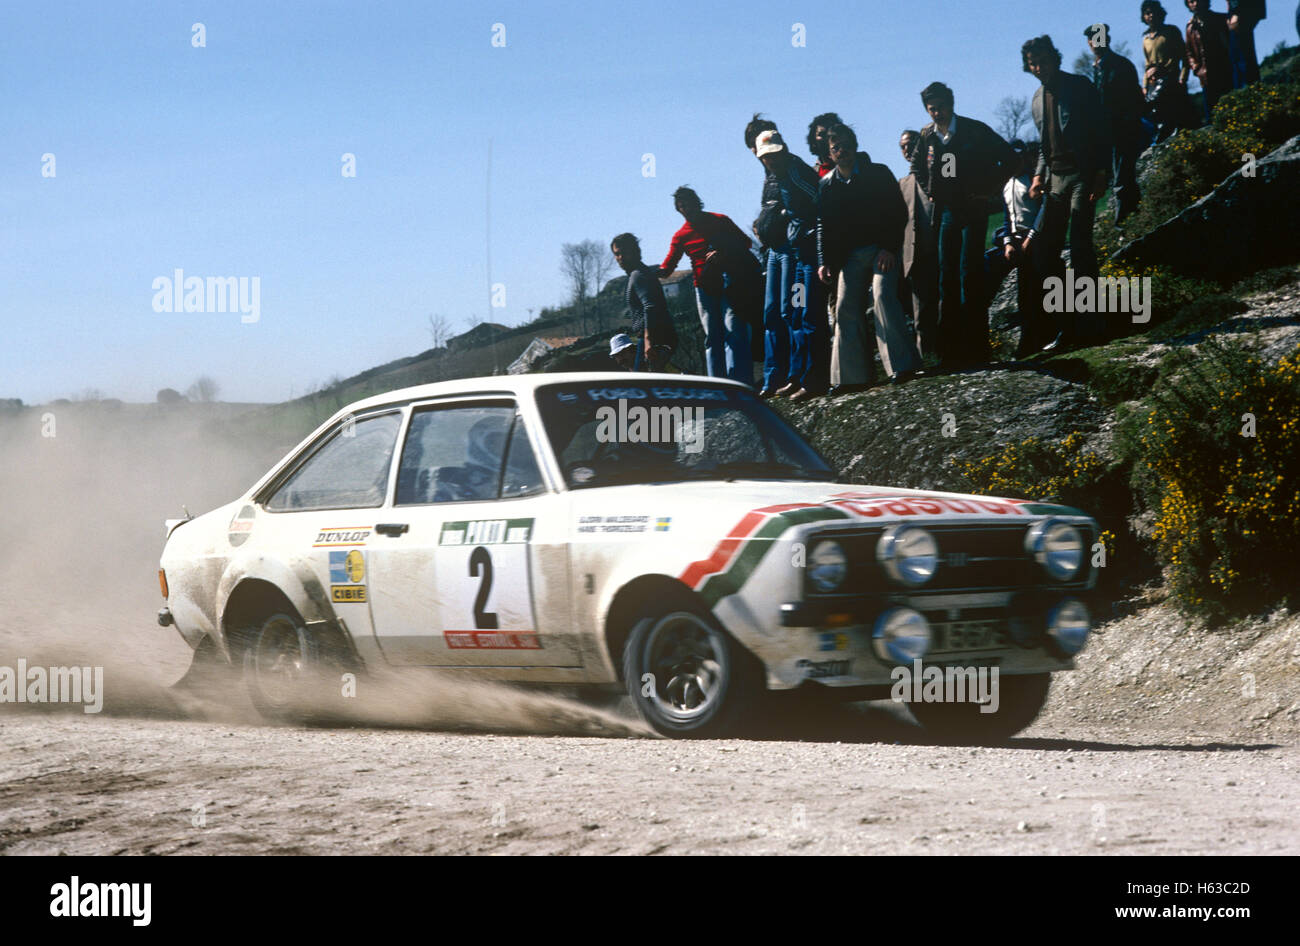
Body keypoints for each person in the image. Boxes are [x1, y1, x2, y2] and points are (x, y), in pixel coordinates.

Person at [910, 82, 1016, 368]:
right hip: (945, 212)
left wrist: (990, 190)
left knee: (970, 276)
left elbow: (1008, 158)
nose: (937, 113)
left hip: (973, 210)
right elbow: (916, 166)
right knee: (947, 280)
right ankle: (950, 354)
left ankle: (978, 351)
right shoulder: (927, 136)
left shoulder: (974, 130)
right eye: (932, 109)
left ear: (951, 103)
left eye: (941, 107)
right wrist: (929, 188)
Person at [817, 124, 920, 391]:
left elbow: (898, 213)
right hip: (849, 257)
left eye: (846, 144)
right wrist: (824, 261)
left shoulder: (878, 173)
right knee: (844, 306)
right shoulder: (827, 186)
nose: (843, 151)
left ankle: (902, 366)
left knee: (882, 295)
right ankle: (849, 378)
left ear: (855, 145)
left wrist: (888, 247)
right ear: (830, 153)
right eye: (836, 147)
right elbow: (824, 227)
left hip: (882, 250)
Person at [1025, 34, 1111, 346]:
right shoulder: (1036, 99)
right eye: (1033, 63)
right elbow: (1043, 146)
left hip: (1083, 175)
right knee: (1045, 253)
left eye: (1043, 61)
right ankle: (1068, 326)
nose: (1038, 68)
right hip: (1055, 182)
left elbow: (1102, 129)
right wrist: (1037, 176)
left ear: (1055, 59)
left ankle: (1094, 323)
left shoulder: (1079, 87)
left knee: (1080, 248)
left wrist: (1101, 172)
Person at [752, 129, 828, 401]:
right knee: (795, 314)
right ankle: (797, 376)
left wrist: (815, 245)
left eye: (773, 154)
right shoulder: (776, 174)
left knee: (809, 316)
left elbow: (820, 204)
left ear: (782, 150)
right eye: (765, 156)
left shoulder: (795, 170)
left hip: (807, 254)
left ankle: (814, 379)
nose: (769, 160)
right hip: (796, 254)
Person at [658, 187, 757, 386]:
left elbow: (745, 243)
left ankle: (741, 383)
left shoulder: (720, 220)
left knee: (734, 330)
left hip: (730, 281)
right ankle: (718, 386)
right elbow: (668, 267)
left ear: (698, 203)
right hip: (704, 287)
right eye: (682, 205)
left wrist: (724, 251)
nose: (687, 208)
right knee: (712, 336)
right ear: (678, 209)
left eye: (689, 203)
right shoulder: (681, 236)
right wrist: (647, 272)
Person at [986, 141, 1053, 356]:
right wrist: (1007, 242)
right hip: (1015, 242)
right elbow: (1008, 217)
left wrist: (1031, 238)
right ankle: (1027, 342)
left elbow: (1044, 210)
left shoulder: (1033, 179)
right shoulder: (1007, 183)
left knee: (1035, 291)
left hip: (1033, 239)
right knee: (1023, 292)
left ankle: (1041, 339)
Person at [746, 117, 794, 396]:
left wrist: (781, 220)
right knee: (771, 313)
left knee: (789, 311)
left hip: (789, 249)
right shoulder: (768, 173)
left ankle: (791, 373)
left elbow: (803, 205)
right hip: (773, 251)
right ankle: (772, 377)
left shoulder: (791, 169)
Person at [1087, 24, 1146, 223]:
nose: (1096, 43)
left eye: (1099, 38)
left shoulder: (1120, 65)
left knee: (1122, 179)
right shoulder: (1097, 69)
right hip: (1108, 133)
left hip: (1124, 130)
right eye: (1092, 39)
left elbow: (1133, 99)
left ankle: (1123, 224)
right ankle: (1135, 218)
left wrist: (1124, 123)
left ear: (1107, 40)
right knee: (1120, 178)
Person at [898, 129, 940, 362]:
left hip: (941, 250)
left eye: (911, 144)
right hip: (915, 256)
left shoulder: (940, 174)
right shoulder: (902, 184)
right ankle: (927, 359)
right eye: (902, 146)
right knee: (920, 313)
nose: (907, 150)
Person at [611, 233, 678, 372]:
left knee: (645, 386)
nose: (621, 258)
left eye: (624, 252)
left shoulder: (639, 275)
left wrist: (648, 342)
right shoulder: (638, 274)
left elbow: (650, 307)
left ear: (635, 251)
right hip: (655, 338)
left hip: (655, 339)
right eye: (617, 254)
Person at [1142, 1, 1193, 142]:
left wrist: (1183, 77)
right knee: (1157, 116)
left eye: (1153, 12)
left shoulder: (1171, 32)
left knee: (1176, 118)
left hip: (1171, 79)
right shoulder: (1145, 39)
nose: (1150, 16)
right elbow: (1147, 64)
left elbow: (1184, 56)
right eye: (1147, 13)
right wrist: (1145, 86)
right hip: (1153, 84)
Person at [1185, 0, 1233, 119]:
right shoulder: (1190, 27)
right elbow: (1189, 51)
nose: (1195, 4)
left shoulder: (1220, 19)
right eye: (1191, 2)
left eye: (1197, 0)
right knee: (1212, 113)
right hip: (1205, 74)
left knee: (1231, 104)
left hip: (1224, 69)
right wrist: (1196, 68)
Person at [1227, 0, 1265, 87]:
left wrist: (1236, 12)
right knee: (1243, 57)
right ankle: (1250, 89)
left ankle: (1248, 90)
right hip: (1241, 10)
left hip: (1240, 12)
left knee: (1242, 58)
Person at [807, 112, 843, 178]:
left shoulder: (859, 162)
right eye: (822, 134)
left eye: (831, 132)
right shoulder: (811, 175)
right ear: (813, 140)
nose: (828, 137)